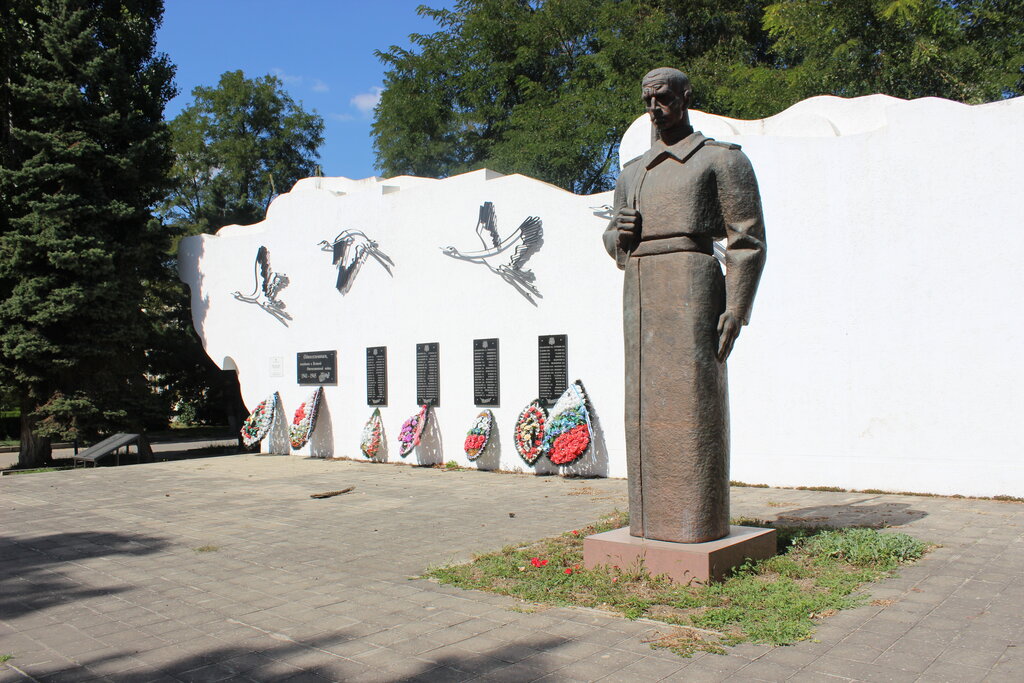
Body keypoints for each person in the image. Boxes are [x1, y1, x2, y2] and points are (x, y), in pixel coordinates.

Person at [603, 67, 766, 544]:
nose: (655, 109)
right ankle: (648, 520)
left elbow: (746, 240)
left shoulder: (720, 160)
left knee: (694, 402)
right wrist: (620, 235)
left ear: (685, 97)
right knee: (643, 403)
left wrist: (737, 308)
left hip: (693, 285)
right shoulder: (632, 173)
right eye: (648, 100)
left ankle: (695, 520)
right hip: (640, 288)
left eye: (664, 98)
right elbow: (613, 241)